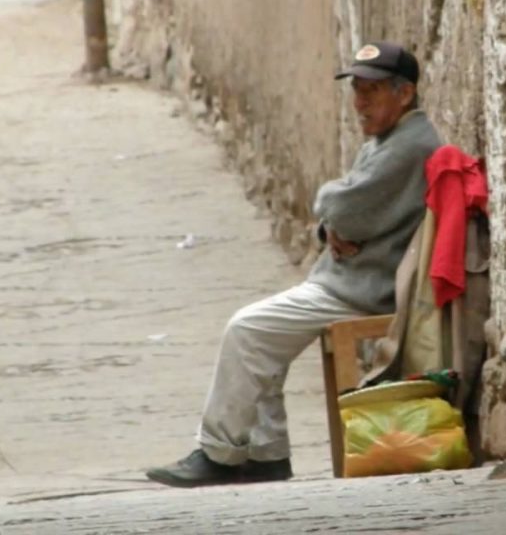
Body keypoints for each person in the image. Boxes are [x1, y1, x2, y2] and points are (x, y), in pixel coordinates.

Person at [146, 41, 441, 487]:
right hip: (348, 280)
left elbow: (342, 206)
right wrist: (330, 224)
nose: (359, 103)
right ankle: (266, 455)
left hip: (362, 290)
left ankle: (220, 453)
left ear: (405, 93)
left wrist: (330, 209)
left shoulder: (410, 146)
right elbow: (342, 214)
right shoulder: (391, 139)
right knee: (263, 340)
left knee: (247, 330)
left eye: (372, 91)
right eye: (356, 90)